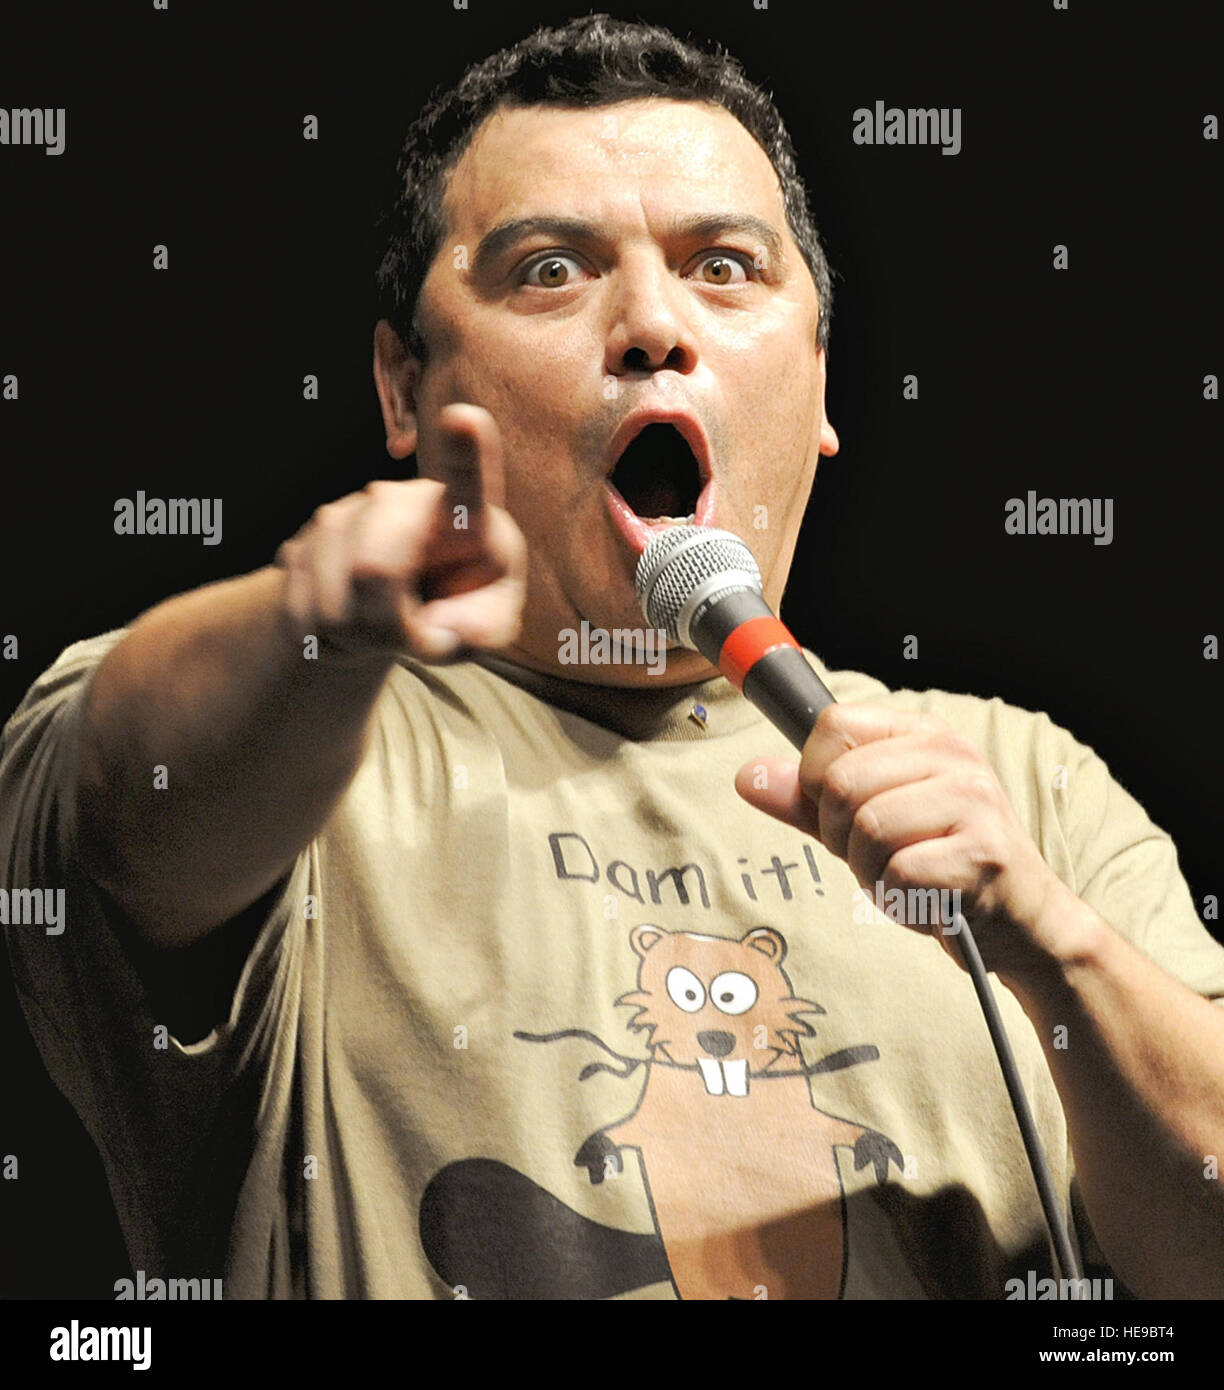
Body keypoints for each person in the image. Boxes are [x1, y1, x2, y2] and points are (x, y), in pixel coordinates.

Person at [3, 13, 1223, 1301]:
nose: (652, 325)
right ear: (405, 392)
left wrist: (1055, 948)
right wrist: (310, 627)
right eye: (548, 271)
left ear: (820, 388)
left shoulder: (1023, 783)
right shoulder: (310, 744)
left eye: (727, 268)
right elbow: (117, 802)